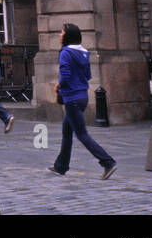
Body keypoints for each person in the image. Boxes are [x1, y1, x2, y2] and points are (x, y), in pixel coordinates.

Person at [49, 23, 116, 179]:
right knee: (67, 132)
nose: (60, 35)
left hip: (71, 98)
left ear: (67, 36)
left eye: (61, 32)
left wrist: (59, 84)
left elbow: (65, 76)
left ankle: (107, 162)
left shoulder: (65, 53)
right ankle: (61, 166)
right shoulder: (84, 53)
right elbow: (88, 76)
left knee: (82, 134)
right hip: (82, 97)